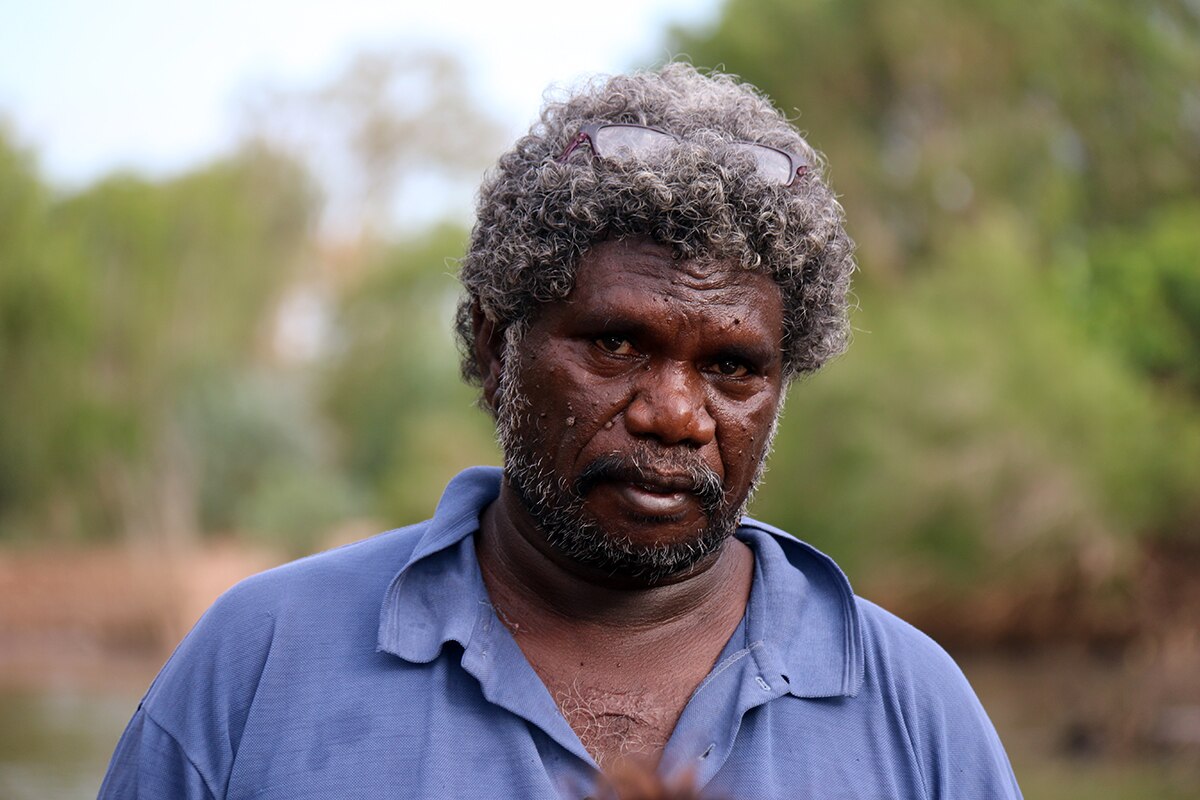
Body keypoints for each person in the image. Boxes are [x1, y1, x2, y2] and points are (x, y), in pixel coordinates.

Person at [100, 64, 1022, 799]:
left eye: (733, 367)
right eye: (617, 343)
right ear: (499, 350)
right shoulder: (259, 665)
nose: (675, 412)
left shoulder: (913, 710)